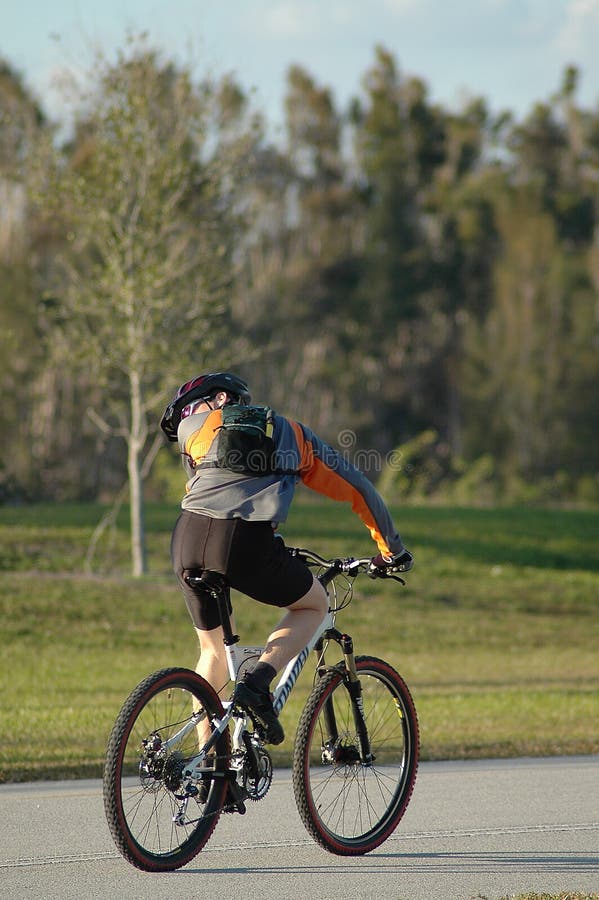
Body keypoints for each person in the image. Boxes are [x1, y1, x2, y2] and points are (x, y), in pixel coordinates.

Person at [162, 371, 413, 745]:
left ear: (210, 404)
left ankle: (210, 771)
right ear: (232, 399)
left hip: (186, 539)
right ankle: (258, 685)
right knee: (315, 604)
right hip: (241, 541)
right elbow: (357, 488)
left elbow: (215, 493)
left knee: (212, 651)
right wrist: (390, 551)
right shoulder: (286, 431)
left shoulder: (194, 434)